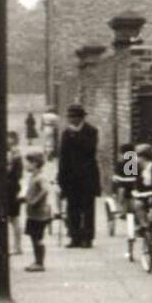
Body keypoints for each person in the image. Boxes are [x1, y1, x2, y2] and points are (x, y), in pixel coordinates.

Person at [56, 104, 99, 248]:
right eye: (69, 117)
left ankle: (87, 238)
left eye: (73, 117)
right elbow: (63, 157)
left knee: (87, 209)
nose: (70, 120)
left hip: (87, 176)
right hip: (70, 178)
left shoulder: (91, 131)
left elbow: (89, 150)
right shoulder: (65, 133)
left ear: (80, 117)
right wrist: (61, 179)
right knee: (72, 208)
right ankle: (74, 237)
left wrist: (75, 134)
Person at [125, 143, 152, 261]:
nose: (134, 158)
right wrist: (134, 191)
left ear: (143, 157)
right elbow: (133, 183)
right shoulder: (136, 167)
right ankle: (143, 226)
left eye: (137, 156)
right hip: (143, 197)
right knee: (137, 204)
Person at [23, 150, 50, 271]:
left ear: (35, 164)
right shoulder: (33, 177)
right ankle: (37, 261)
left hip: (39, 214)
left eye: (28, 163)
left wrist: (35, 201)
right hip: (33, 214)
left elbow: (45, 190)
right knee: (34, 238)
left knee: (38, 238)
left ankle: (40, 263)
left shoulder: (40, 177)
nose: (26, 165)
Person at [6, 133, 23, 255]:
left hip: (10, 188)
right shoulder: (15, 154)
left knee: (13, 217)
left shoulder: (14, 155)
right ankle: (17, 246)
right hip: (13, 187)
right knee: (13, 218)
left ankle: (17, 246)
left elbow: (11, 171)